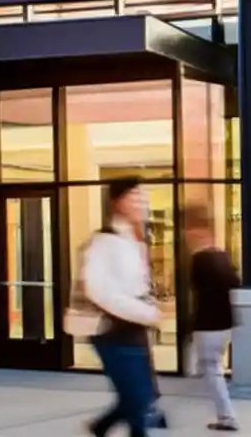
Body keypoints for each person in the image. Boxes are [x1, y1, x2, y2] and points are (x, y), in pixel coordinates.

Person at [84, 178, 162, 437]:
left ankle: (100, 427)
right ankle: (101, 427)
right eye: (134, 197)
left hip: (135, 330)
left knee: (140, 397)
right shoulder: (105, 240)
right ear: (117, 202)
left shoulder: (135, 238)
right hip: (114, 331)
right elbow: (97, 290)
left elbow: (136, 285)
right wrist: (144, 312)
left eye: (143, 197)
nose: (141, 203)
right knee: (137, 400)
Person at [187, 205, 241, 432]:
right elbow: (235, 283)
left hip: (208, 324)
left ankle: (227, 416)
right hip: (225, 323)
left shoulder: (199, 259)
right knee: (211, 367)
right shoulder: (223, 256)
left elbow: (197, 290)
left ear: (197, 231)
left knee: (211, 369)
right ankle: (225, 415)